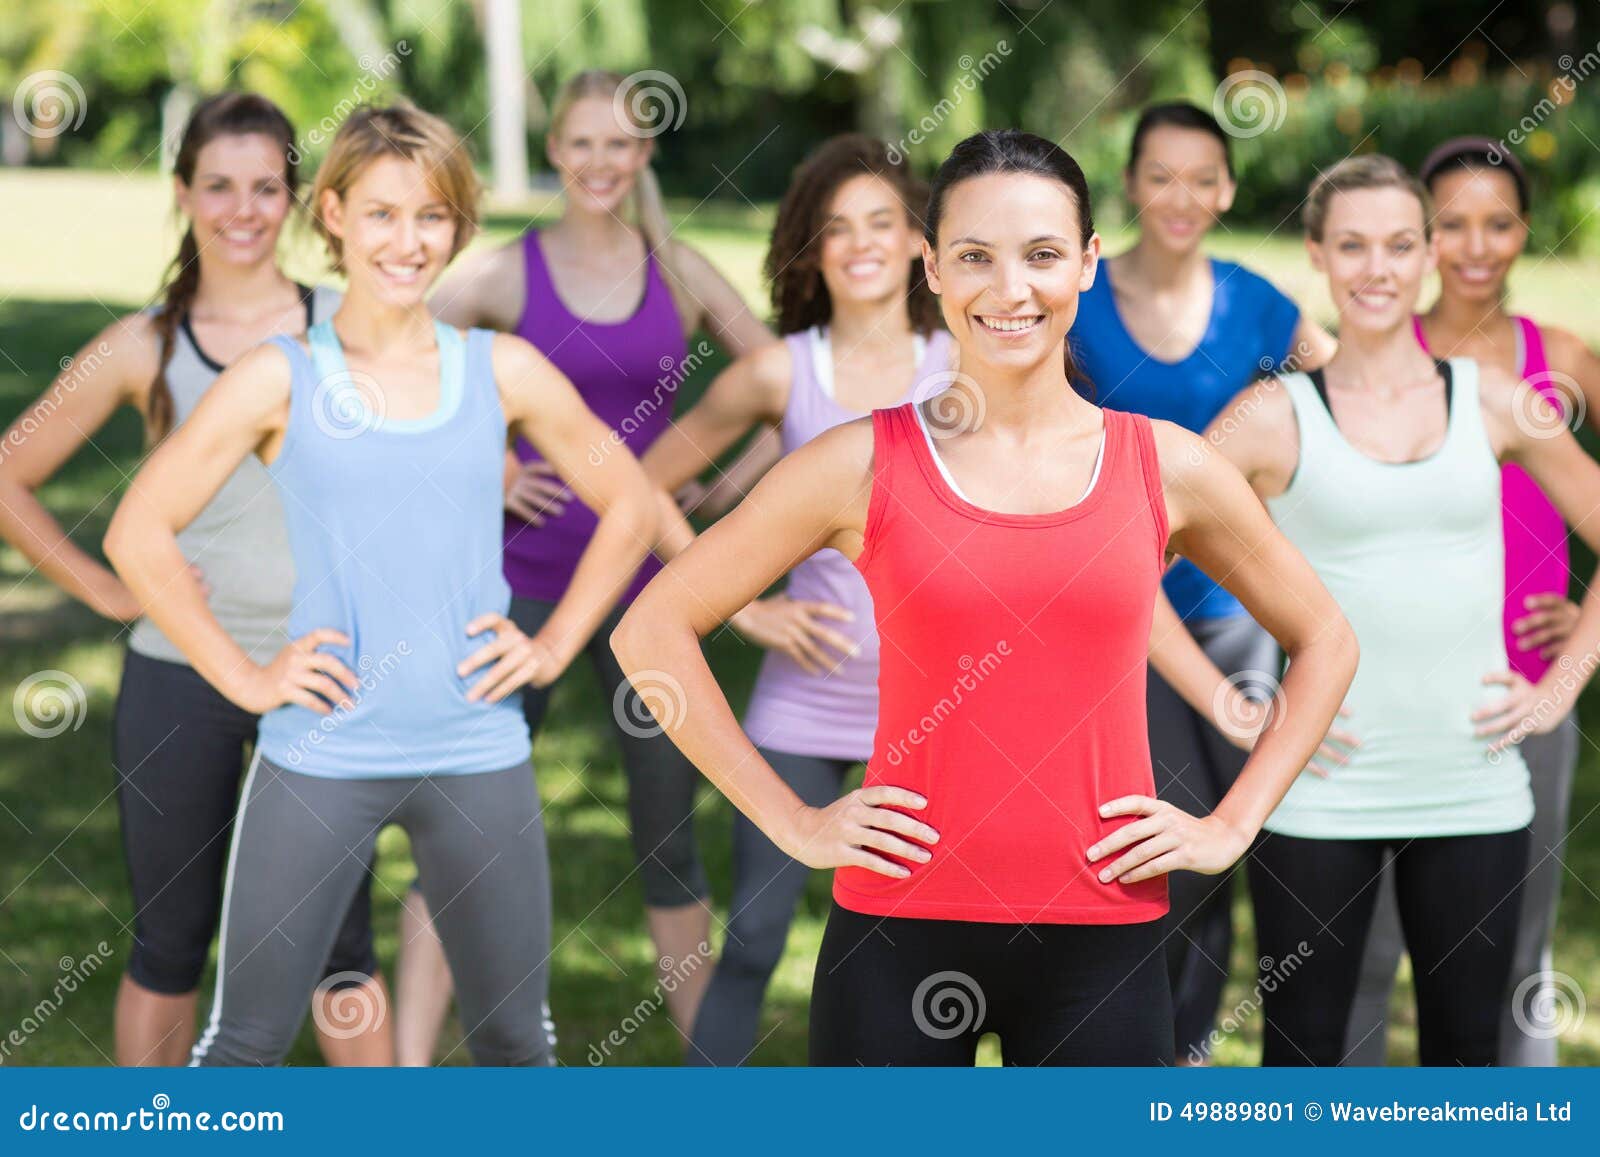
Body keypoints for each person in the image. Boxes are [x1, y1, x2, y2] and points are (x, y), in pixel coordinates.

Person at [613, 129, 1357, 1066]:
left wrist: (1230, 824)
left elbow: (1325, 636)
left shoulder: (1167, 465)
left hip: (1105, 937)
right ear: (932, 267)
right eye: (975, 256)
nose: (1010, 290)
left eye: (1043, 255)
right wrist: (793, 818)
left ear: (1088, 263)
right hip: (899, 933)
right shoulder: (859, 461)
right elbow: (653, 628)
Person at [103, 101, 657, 1066]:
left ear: (458, 226)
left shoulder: (503, 369)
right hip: (321, 752)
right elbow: (137, 531)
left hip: (478, 745)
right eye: (382, 214)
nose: (408, 241)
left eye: (433, 216)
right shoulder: (281, 377)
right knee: (242, 1046)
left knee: (518, 1042)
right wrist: (245, 677)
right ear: (333, 215)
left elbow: (633, 507)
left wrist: (557, 642)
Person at [0, 92, 388, 1067]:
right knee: (172, 943)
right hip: (181, 674)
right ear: (184, 195)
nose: (243, 208)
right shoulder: (147, 343)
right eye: (219, 186)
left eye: (265, 186)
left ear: (295, 200)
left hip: (326, 674)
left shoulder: (356, 323)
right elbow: (9, 474)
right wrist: (107, 592)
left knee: (341, 949)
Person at [400, 70, 771, 1054]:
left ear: (643, 153)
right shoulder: (504, 273)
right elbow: (391, 353)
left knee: (667, 831)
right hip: (520, 579)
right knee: (460, 814)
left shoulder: (681, 270)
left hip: (649, 587)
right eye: (582, 144)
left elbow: (781, 379)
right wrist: (488, 468)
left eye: (621, 144)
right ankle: (399, 1065)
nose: (601, 163)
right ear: (554, 151)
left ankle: (707, 1071)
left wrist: (723, 488)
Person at [1202, 154, 1600, 1066]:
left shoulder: (1499, 404)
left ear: (1426, 257)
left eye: (1397, 245)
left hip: (1476, 784)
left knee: (1466, 1059)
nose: (1376, 268)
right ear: (1317, 255)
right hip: (1319, 790)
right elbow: (1126, 561)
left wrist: (1561, 684)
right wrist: (1234, 701)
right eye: (1351, 245)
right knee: (1304, 1059)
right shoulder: (1271, 415)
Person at [637, 134, 951, 1064]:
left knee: (931, 945)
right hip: (805, 699)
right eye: (835, 228)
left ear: (917, 244)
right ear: (811, 251)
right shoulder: (785, 372)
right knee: (757, 941)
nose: (859, 244)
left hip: (938, 706)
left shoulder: (966, 363)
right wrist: (742, 608)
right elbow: (645, 481)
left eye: (881, 224)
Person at [1066, 101, 1338, 1063]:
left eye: (1201, 178)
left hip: (1234, 617)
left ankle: (1187, 1067)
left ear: (1225, 191)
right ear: (1132, 183)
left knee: (1232, 853)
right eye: (1161, 175)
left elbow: (1347, 404)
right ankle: (1144, 1059)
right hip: (1110, 630)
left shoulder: (1260, 305)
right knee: (1160, 857)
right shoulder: (1081, 303)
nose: (1181, 196)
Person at [1344, 139, 1600, 1066]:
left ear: (1526, 232)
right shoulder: (1370, 358)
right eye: (1451, 224)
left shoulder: (1559, 358)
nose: (1476, 246)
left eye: (1499, 223)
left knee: (1516, 958)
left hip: (1519, 702)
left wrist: (1577, 647)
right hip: (1383, 708)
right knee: (1363, 960)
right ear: (1419, 235)